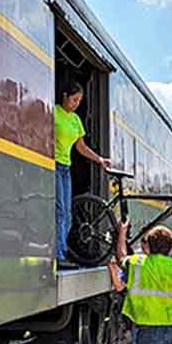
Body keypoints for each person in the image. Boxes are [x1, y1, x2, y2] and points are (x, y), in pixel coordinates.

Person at [55, 82, 111, 269]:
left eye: (79, 100)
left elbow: (81, 147)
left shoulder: (76, 120)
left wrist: (99, 160)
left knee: (68, 214)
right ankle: (59, 254)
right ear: (64, 96)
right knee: (61, 211)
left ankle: (62, 251)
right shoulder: (53, 112)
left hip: (65, 167)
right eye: (74, 99)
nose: (76, 104)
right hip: (52, 164)